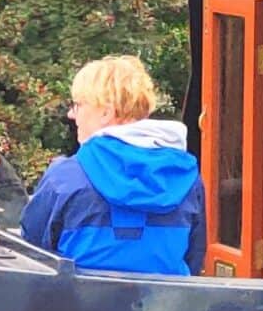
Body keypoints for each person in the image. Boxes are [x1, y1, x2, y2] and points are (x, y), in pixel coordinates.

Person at [19, 56, 205, 275]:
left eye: (78, 105)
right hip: (162, 307)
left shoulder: (66, 176)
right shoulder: (185, 176)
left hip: (76, 307)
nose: (71, 114)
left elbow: (32, 255)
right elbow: (194, 256)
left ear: (106, 113)